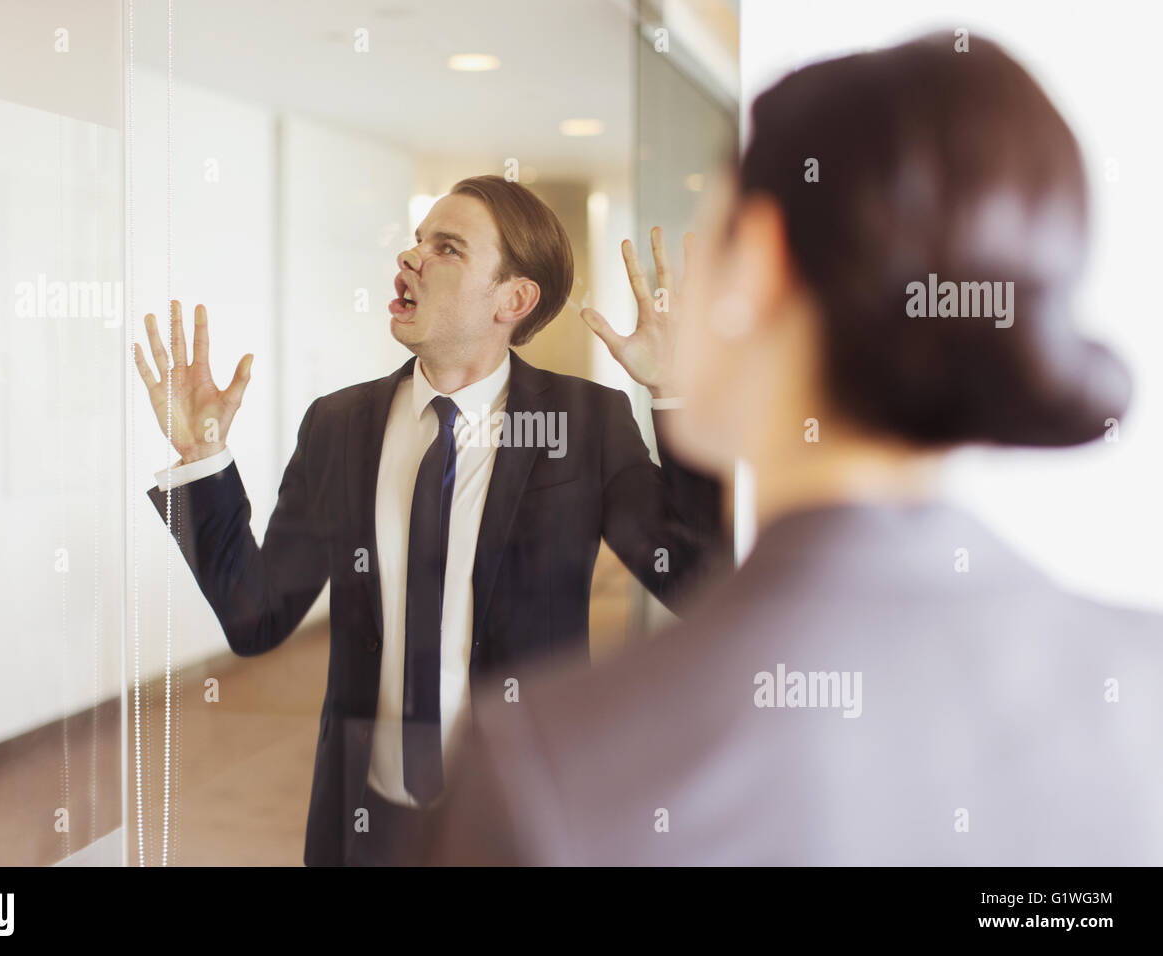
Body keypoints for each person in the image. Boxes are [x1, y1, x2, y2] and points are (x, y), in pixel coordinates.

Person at [425, 33, 1163, 865]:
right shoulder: (1142, 675)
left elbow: (685, 569)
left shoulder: (545, 761)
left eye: (704, 240)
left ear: (761, 264)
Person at [133, 175, 728, 865]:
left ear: (514, 298)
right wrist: (203, 456)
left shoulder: (583, 422)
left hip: (522, 815)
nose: (409, 258)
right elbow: (255, 616)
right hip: (369, 815)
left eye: (446, 248)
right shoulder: (339, 424)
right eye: (417, 241)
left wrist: (675, 393)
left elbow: (696, 581)